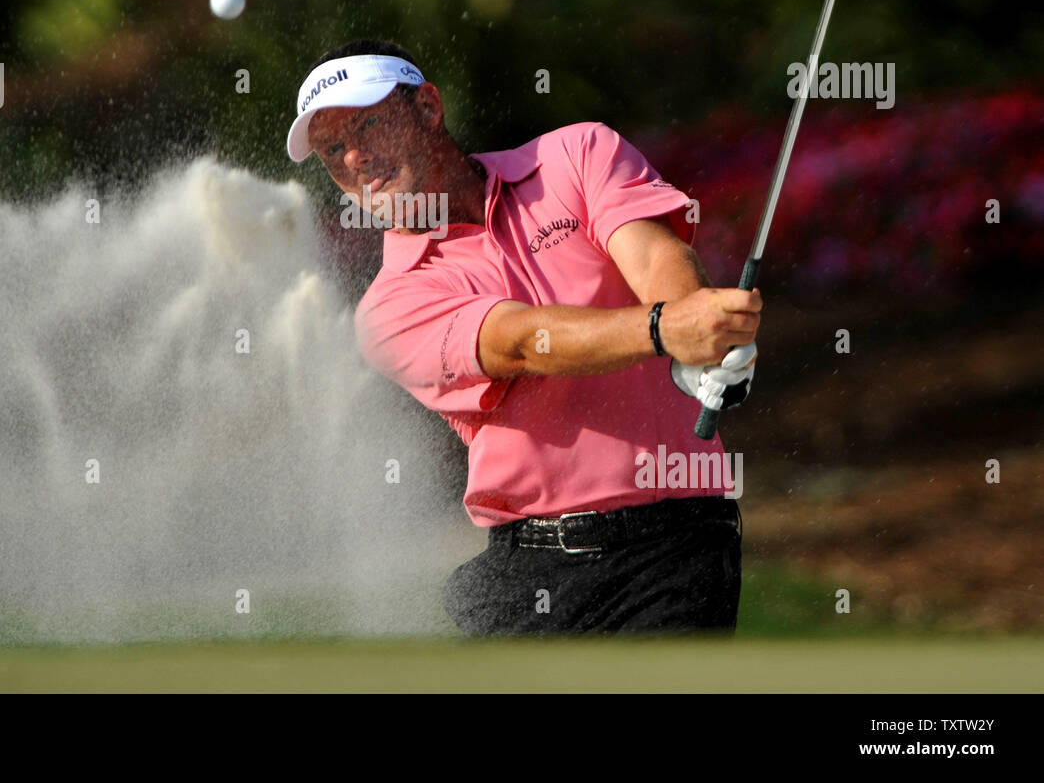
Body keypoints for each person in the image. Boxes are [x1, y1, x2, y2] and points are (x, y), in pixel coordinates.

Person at [286, 39, 761, 635]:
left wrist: (702, 330)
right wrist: (666, 330)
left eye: (369, 123)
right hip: (526, 571)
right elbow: (520, 341)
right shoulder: (388, 309)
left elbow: (655, 258)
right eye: (333, 148)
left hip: (675, 547)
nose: (355, 156)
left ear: (428, 107)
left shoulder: (577, 153)